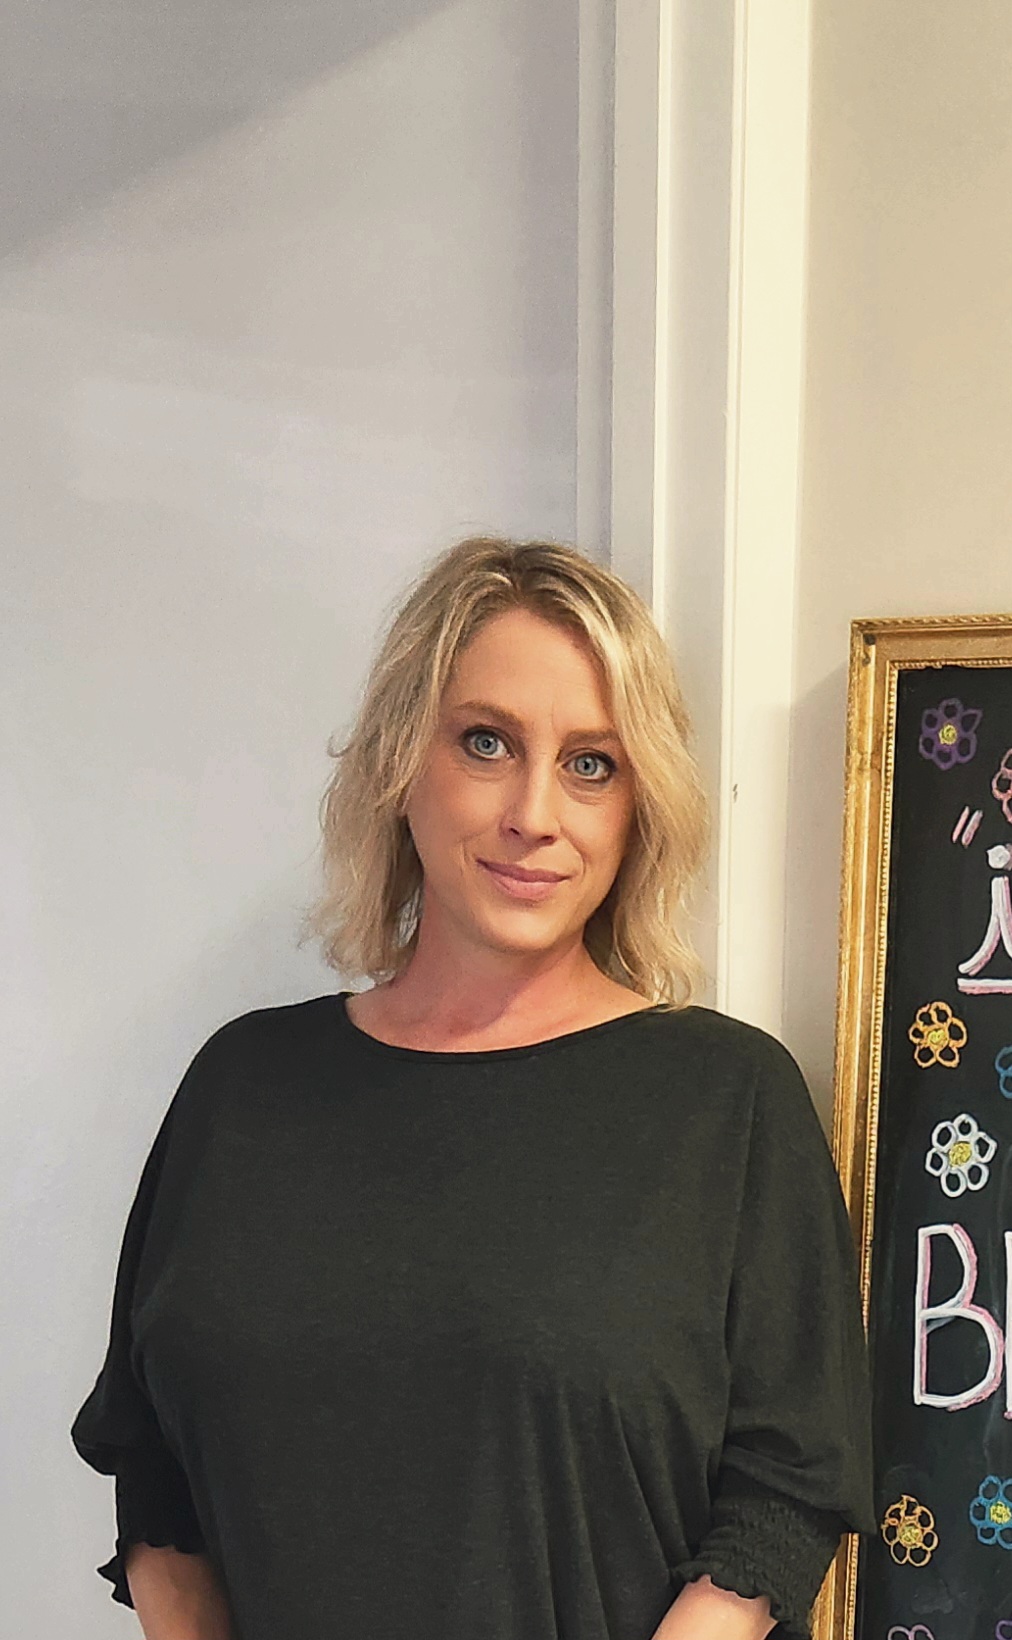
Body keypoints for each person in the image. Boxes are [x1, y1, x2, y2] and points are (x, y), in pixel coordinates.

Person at [70, 535, 877, 1640]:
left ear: (639, 804)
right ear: (402, 762)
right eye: (487, 742)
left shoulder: (726, 1099)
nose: (535, 813)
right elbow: (152, 1467)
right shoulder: (241, 1086)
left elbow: (787, 1492)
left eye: (591, 764)